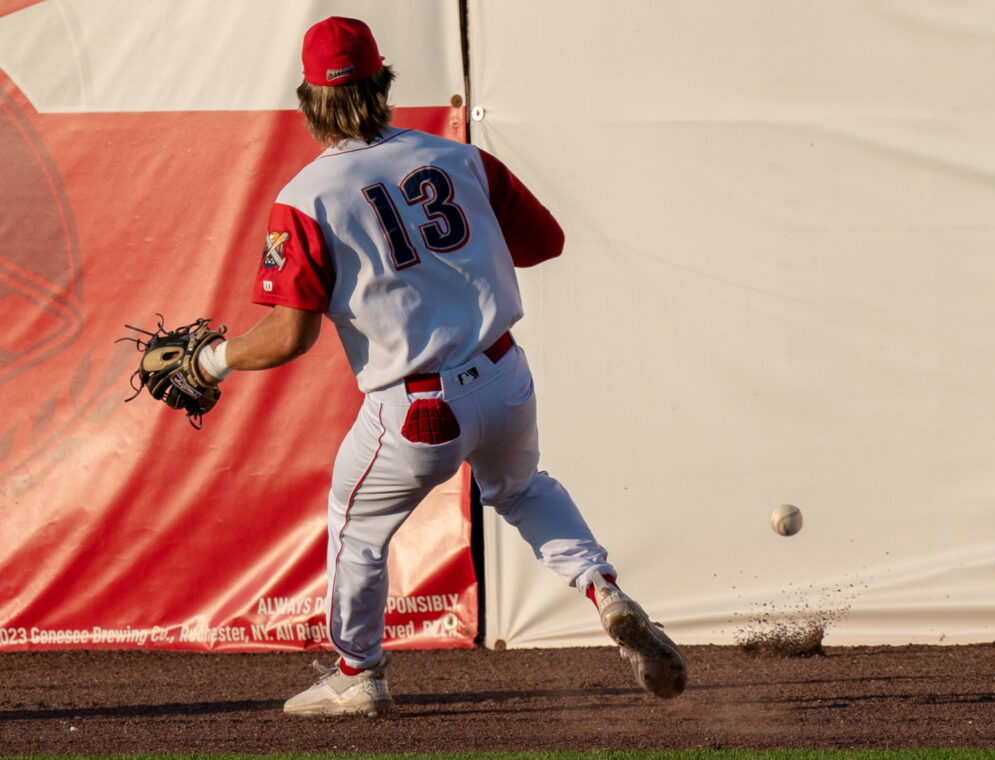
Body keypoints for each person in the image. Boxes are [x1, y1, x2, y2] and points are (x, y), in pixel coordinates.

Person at [196, 16, 686, 717]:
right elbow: (545, 242)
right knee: (522, 488)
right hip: (504, 375)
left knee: (355, 529)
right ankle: (602, 588)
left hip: (418, 406)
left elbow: (287, 336)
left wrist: (213, 359)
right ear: (383, 84)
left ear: (308, 101)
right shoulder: (459, 157)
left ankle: (358, 673)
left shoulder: (307, 196)